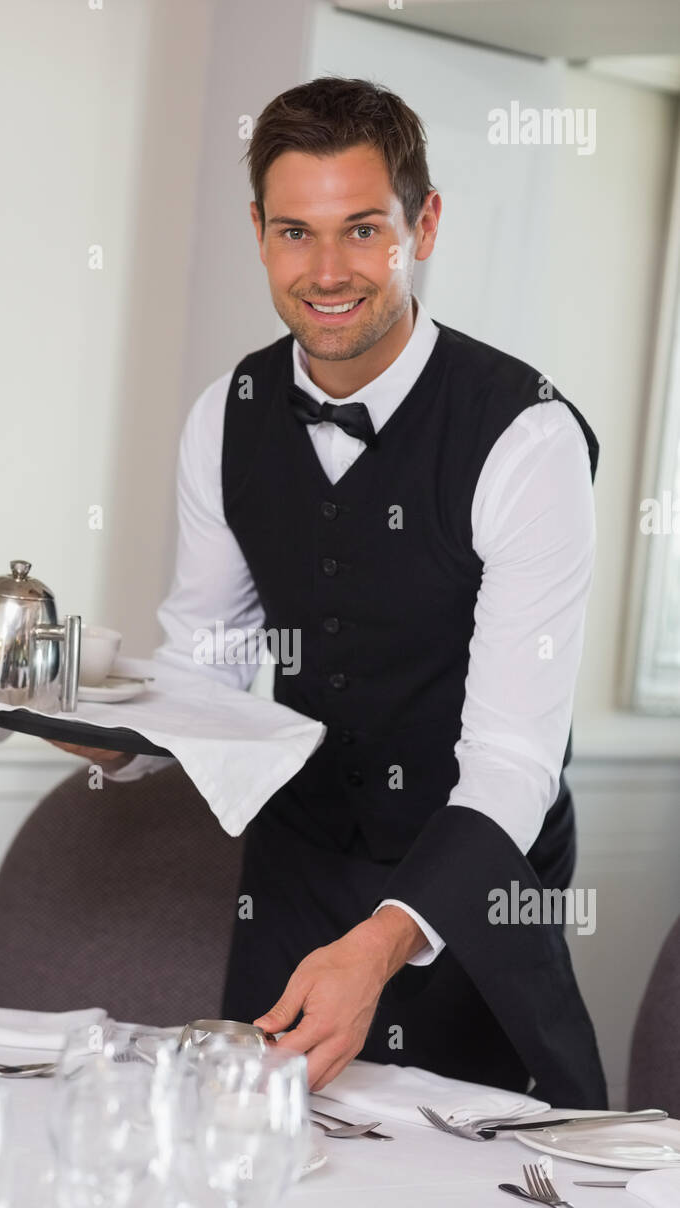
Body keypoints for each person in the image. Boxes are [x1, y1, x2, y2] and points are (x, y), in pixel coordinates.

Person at [52, 76, 607, 1108]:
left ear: (422, 223)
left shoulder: (523, 437)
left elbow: (510, 765)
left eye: (361, 229)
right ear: (257, 232)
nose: (326, 271)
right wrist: (97, 727)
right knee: (270, 1183)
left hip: (466, 880)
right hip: (297, 872)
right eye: (294, 233)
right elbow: (206, 665)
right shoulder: (227, 413)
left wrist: (384, 943)